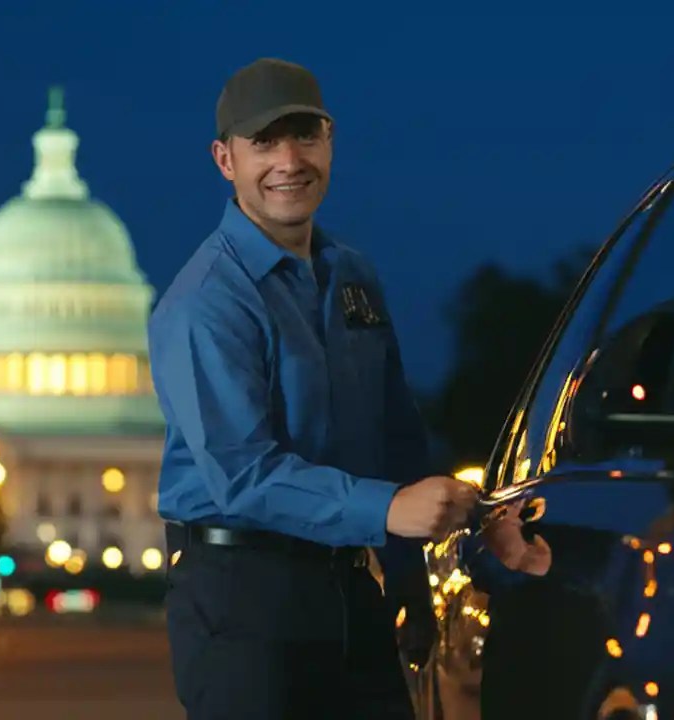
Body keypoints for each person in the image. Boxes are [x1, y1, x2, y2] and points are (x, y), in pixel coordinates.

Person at [149, 57, 479, 720]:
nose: (290, 160)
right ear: (224, 159)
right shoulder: (205, 301)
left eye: (306, 135)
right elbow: (242, 475)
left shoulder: (352, 276)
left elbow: (395, 437)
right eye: (264, 142)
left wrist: (410, 576)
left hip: (351, 588)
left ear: (331, 140)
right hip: (244, 603)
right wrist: (387, 511)